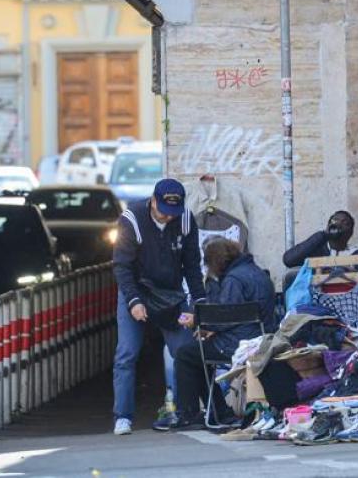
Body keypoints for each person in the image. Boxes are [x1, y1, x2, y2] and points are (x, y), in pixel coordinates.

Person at [111, 178, 205, 436]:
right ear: (153, 201)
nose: (168, 217)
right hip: (137, 290)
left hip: (172, 294)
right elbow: (122, 266)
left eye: (173, 212)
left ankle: (184, 410)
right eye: (163, 211)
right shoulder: (131, 219)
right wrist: (133, 301)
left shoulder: (185, 220)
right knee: (127, 353)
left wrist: (198, 303)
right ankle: (123, 416)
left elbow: (192, 266)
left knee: (184, 351)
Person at [156, 237, 275, 431]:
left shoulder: (233, 279)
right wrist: (211, 328)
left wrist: (197, 321)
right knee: (199, 355)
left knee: (186, 355)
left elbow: (224, 316)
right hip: (261, 339)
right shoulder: (258, 272)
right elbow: (238, 315)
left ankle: (189, 414)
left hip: (238, 344)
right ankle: (220, 411)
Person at [281, 210, 358, 290]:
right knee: (291, 274)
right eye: (335, 220)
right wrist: (323, 235)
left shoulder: (357, 254)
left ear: (351, 232)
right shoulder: (317, 249)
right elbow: (288, 260)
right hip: (316, 296)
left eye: (345, 223)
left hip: (348, 297)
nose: (338, 224)